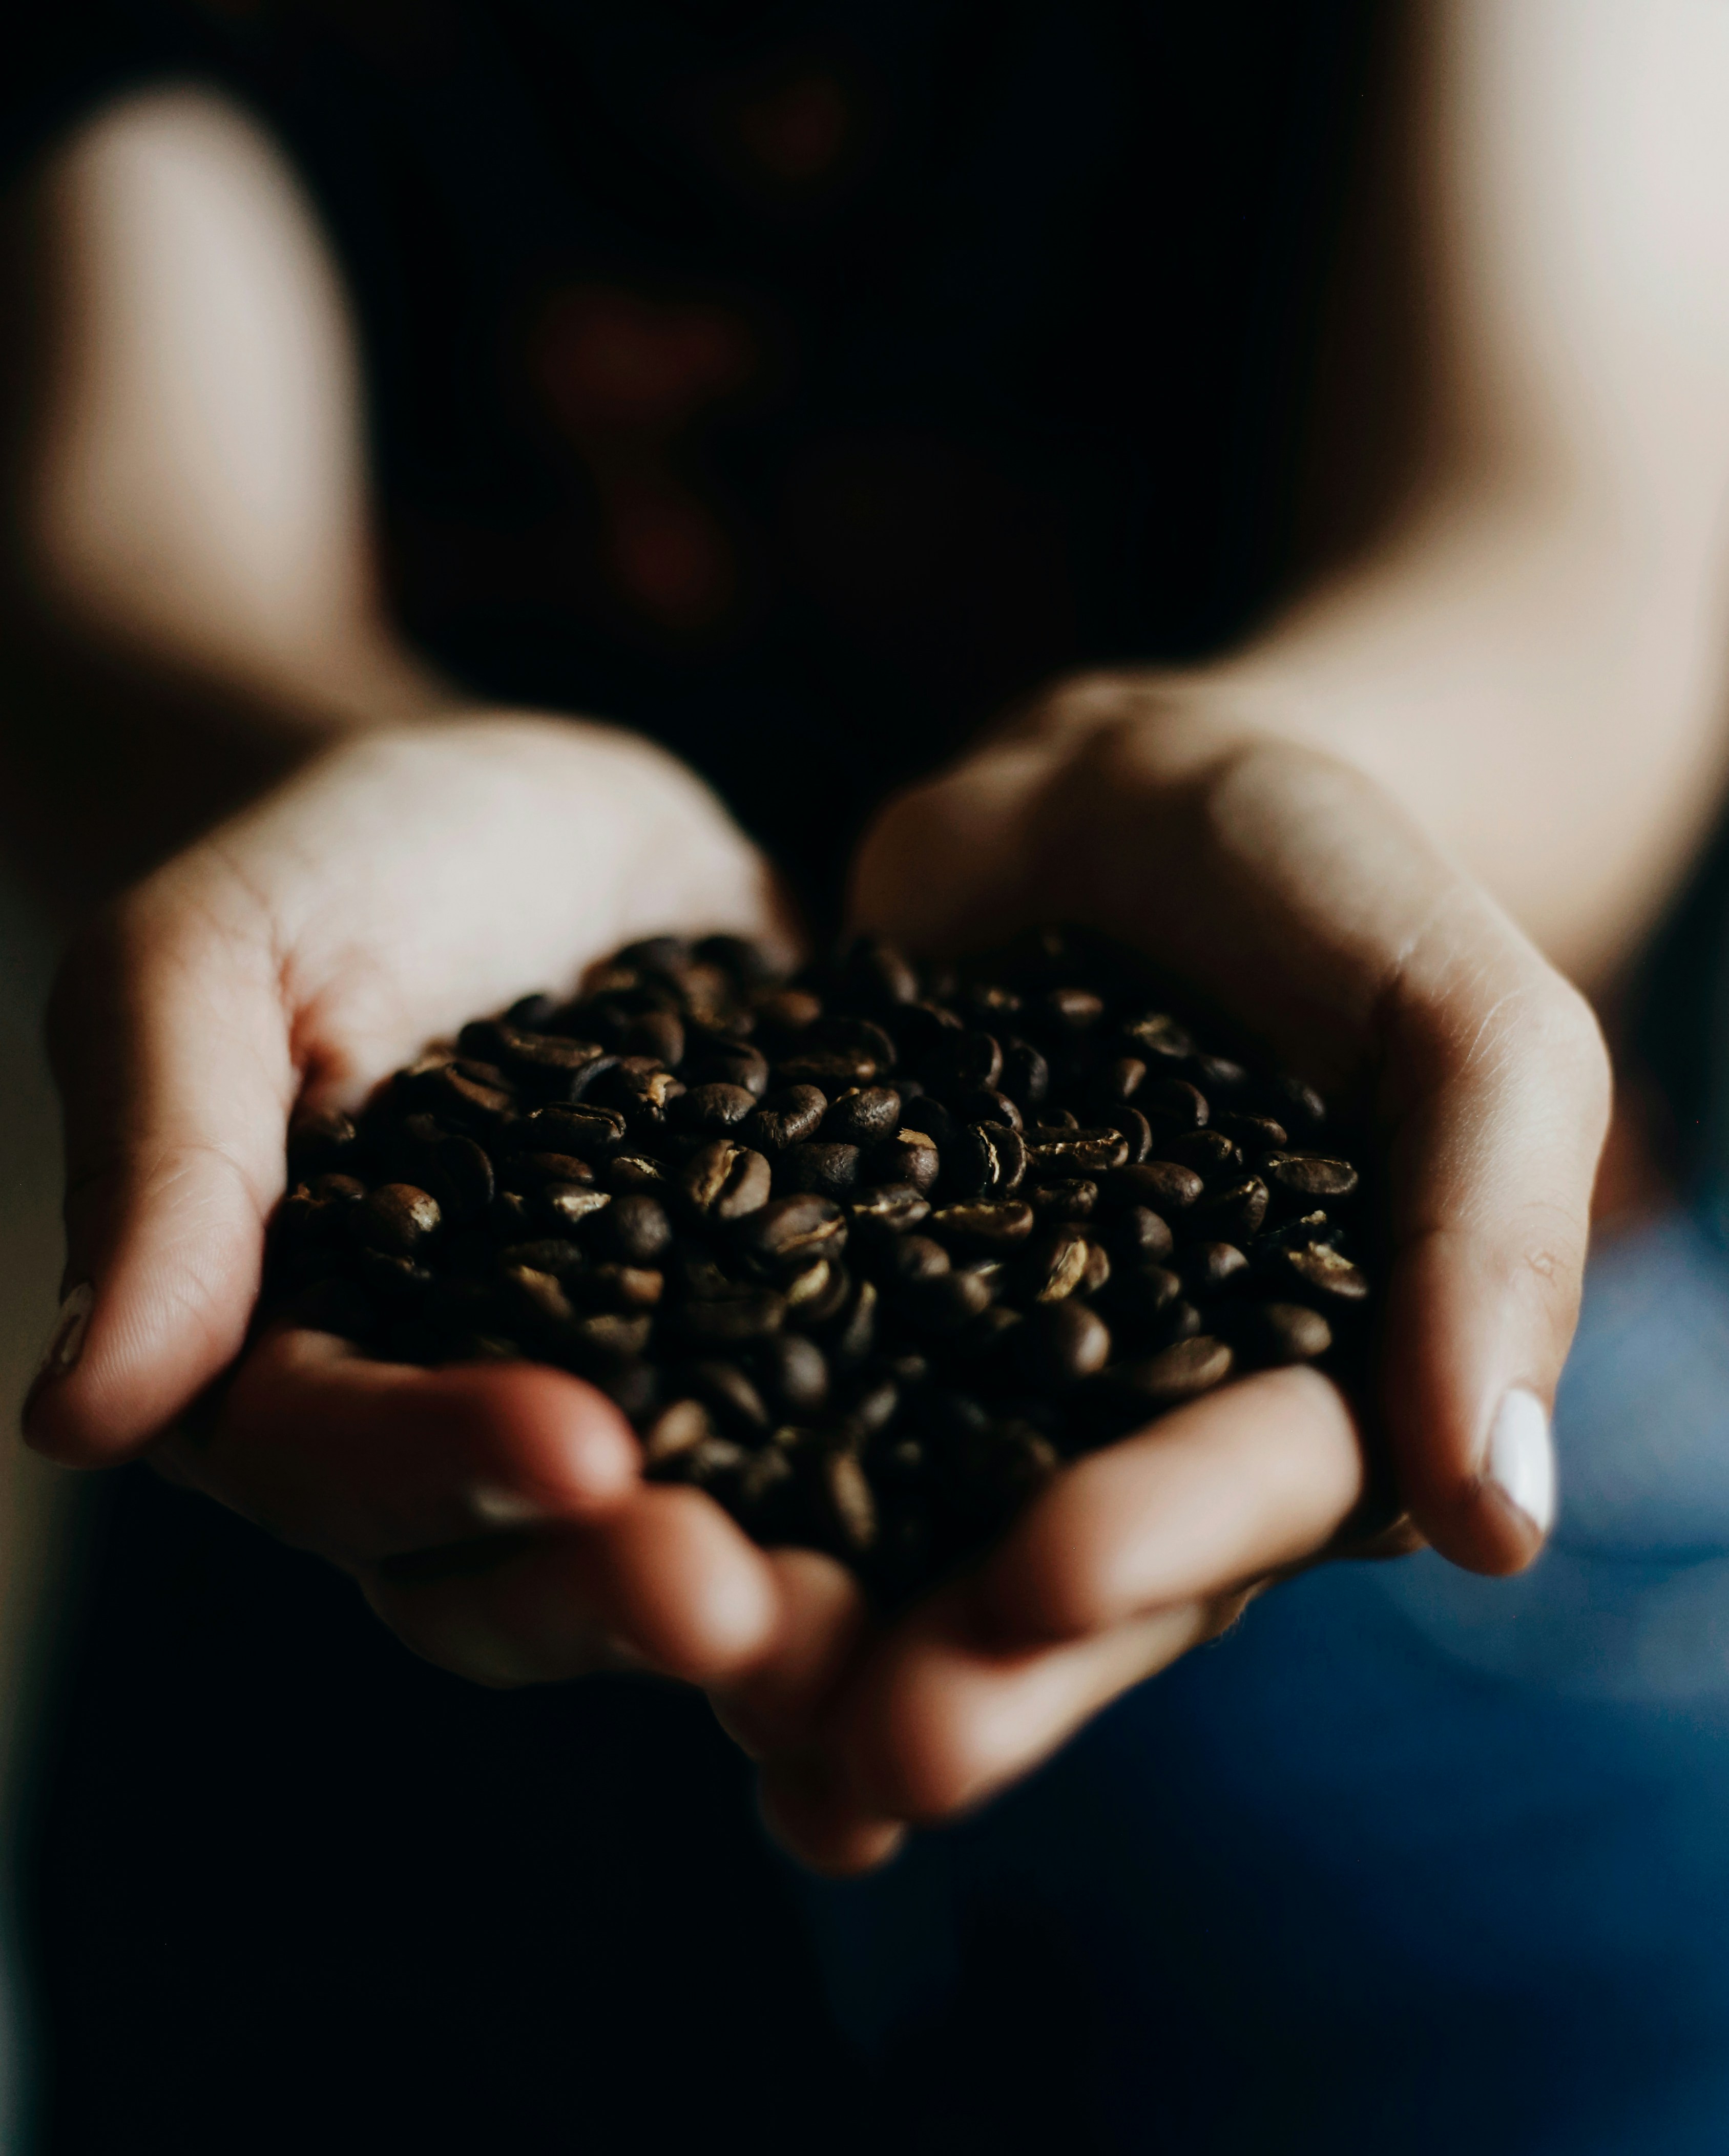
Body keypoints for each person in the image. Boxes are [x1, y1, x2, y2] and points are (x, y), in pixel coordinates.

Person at [5, 1, 1727, 2147]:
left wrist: (1299, 796)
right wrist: (318, 785)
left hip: (1459, 1572)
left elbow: (1584, 534)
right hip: (416, 1516)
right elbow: (111, 568)